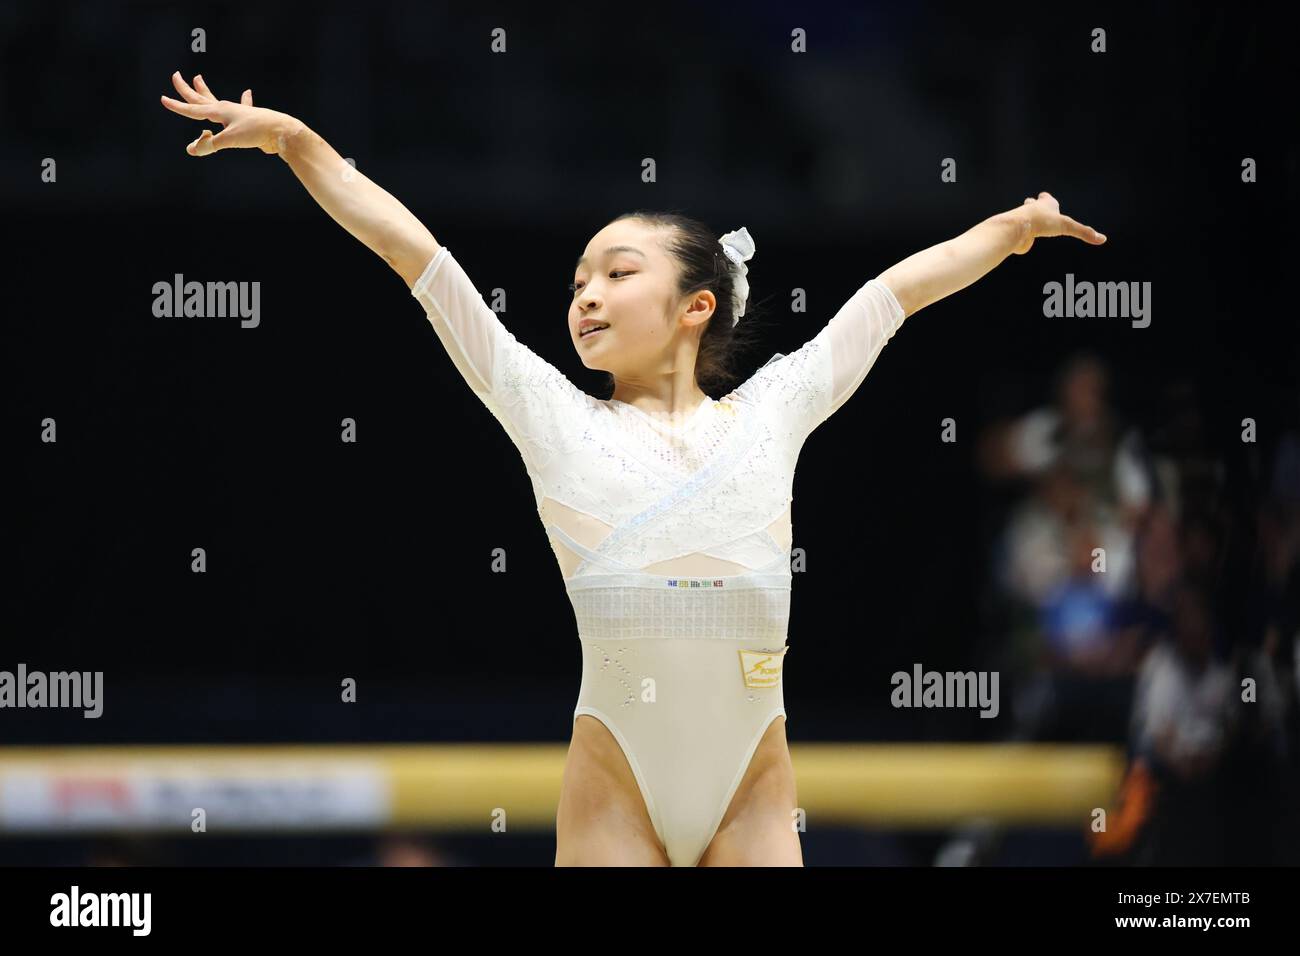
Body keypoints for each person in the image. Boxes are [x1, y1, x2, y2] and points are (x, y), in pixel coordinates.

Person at [160, 72, 1106, 866]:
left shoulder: (773, 411)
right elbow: (416, 256)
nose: (585, 296)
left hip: (750, 792)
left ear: (697, 306)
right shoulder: (549, 416)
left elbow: (892, 295)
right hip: (614, 785)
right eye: (577, 282)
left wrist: (1011, 230)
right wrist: (293, 141)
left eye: (616, 274)